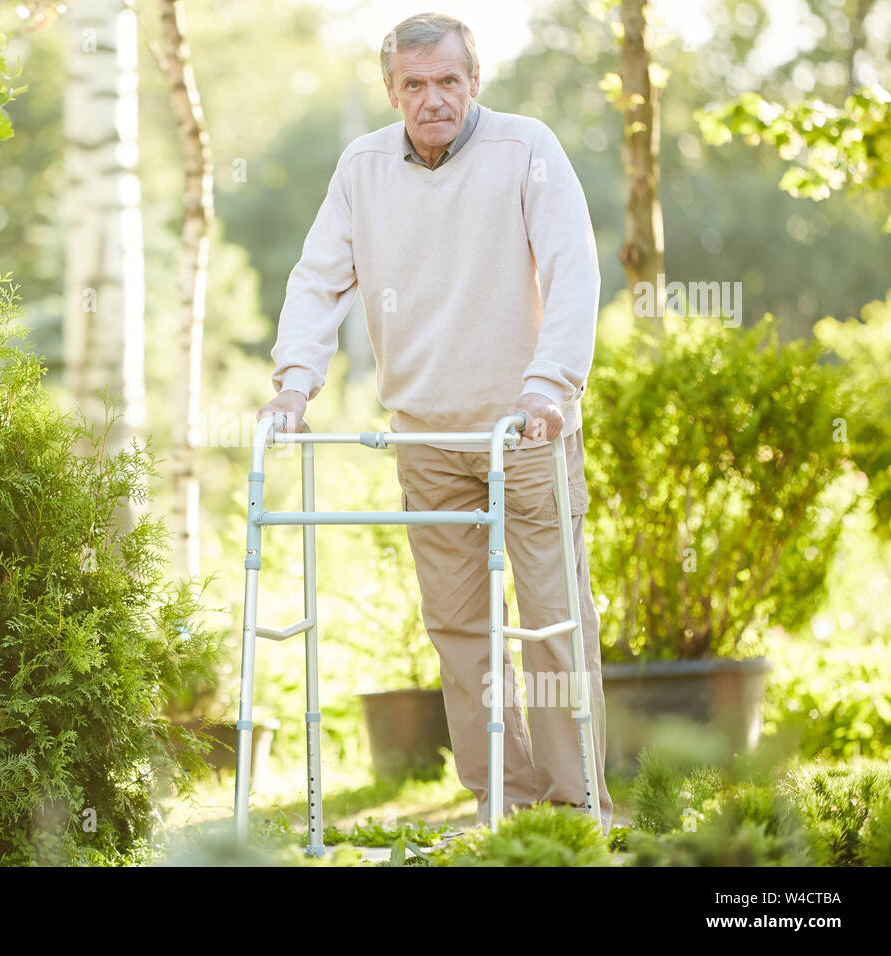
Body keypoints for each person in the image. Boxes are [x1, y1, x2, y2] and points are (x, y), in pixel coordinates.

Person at [256, 12, 612, 830]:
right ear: (392, 91)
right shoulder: (363, 167)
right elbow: (317, 280)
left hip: (527, 431)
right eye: (413, 85)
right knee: (458, 626)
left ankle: (574, 800)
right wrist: (294, 385)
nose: (432, 99)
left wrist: (549, 385)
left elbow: (573, 270)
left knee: (552, 618)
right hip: (424, 434)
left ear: (474, 79)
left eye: (447, 81)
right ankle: (502, 799)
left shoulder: (527, 150)